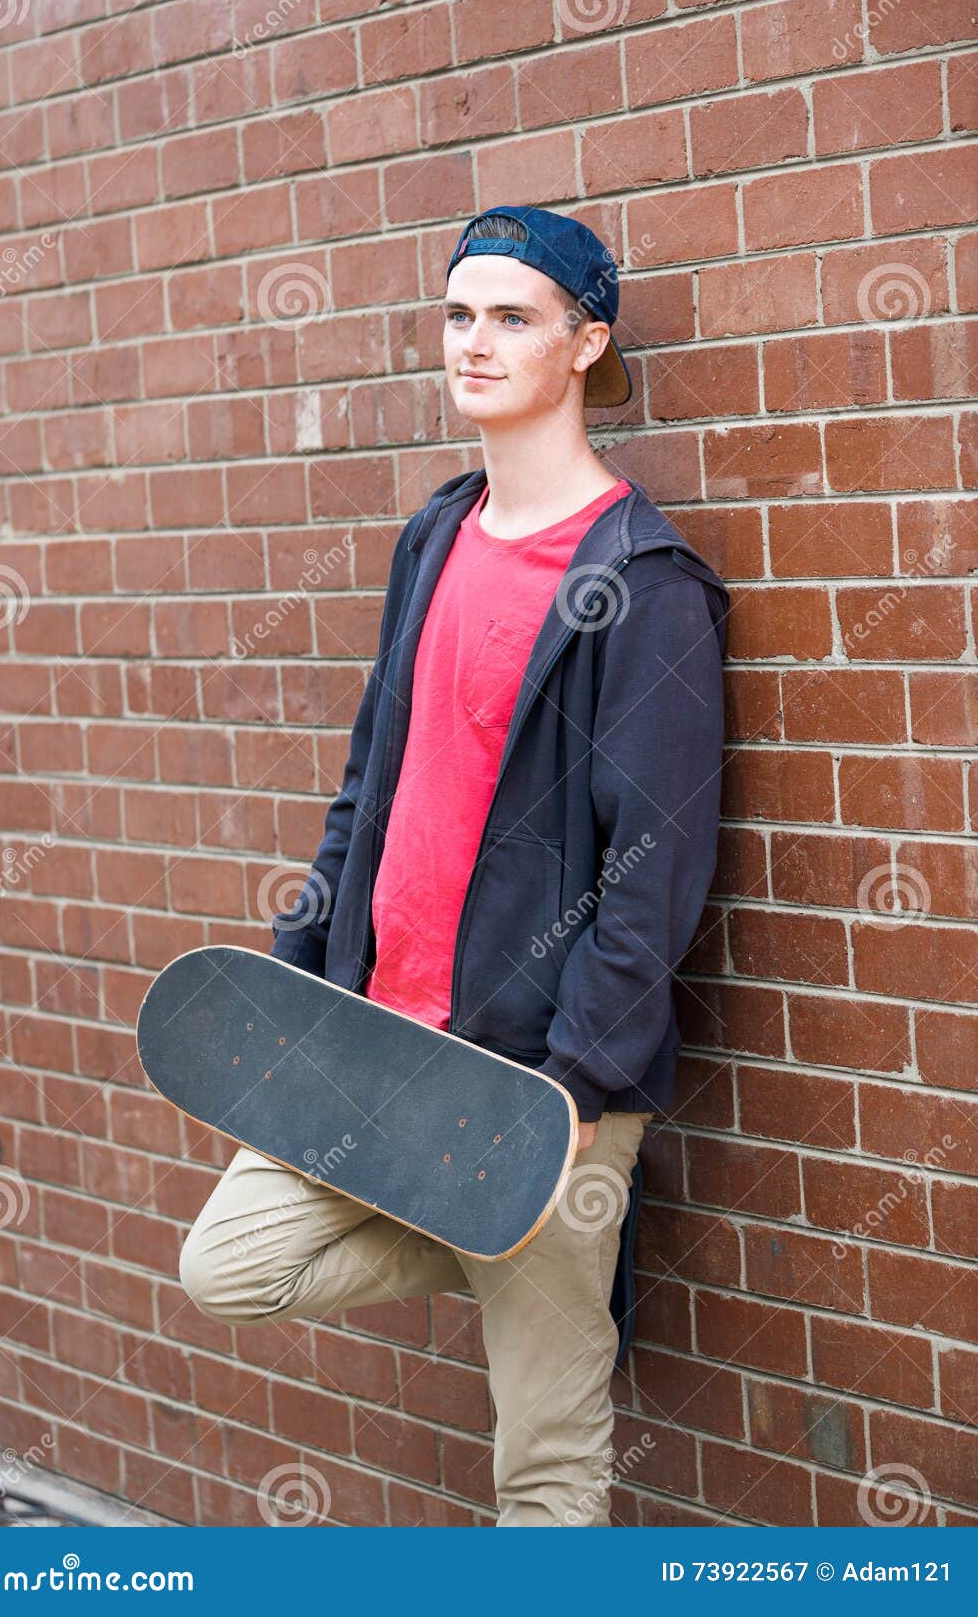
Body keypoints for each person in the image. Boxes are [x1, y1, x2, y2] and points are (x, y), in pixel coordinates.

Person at [179, 205, 729, 1526]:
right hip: (378, 1052)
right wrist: (298, 980)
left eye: (515, 316)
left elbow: (654, 868)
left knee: (545, 1463)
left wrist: (578, 1088)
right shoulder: (434, 535)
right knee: (227, 1265)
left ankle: (546, 1238)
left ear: (588, 340)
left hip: (538, 1085)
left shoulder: (646, 582)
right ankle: (488, 1236)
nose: (474, 343)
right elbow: (371, 778)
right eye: (458, 313)